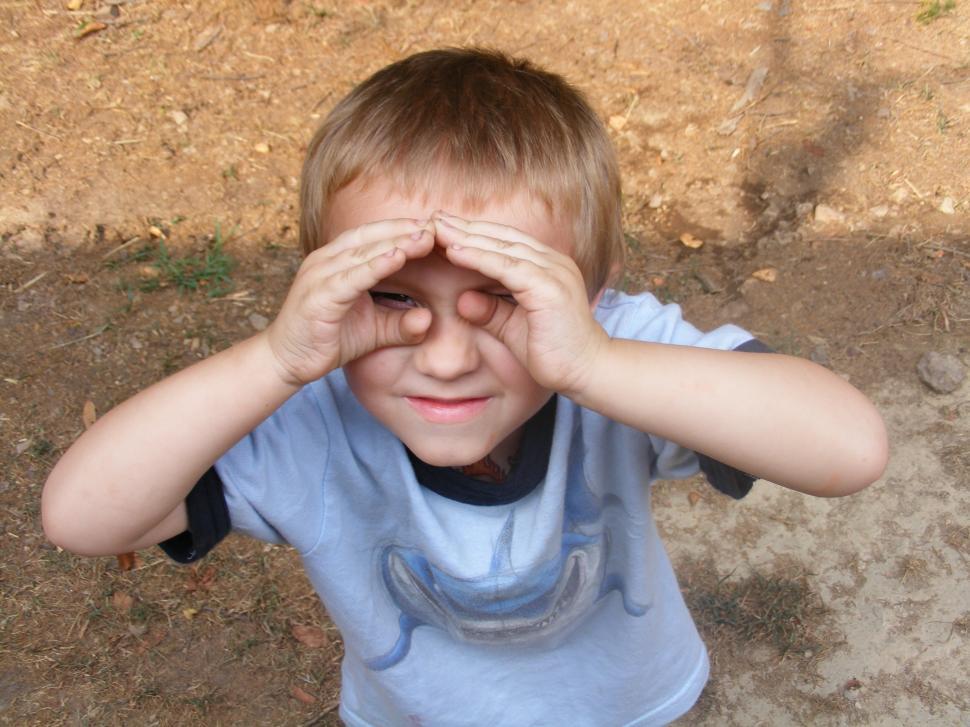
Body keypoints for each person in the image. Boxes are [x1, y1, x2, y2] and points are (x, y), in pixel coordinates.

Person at [42, 48, 888, 725]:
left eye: (503, 299)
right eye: (392, 296)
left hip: (626, 705)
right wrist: (275, 360)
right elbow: (83, 517)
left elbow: (848, 448)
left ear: (593, 292)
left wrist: (594, 363)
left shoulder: (615, 349)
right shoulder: (306, 415)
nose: (445, 358)